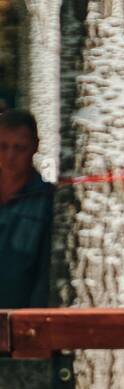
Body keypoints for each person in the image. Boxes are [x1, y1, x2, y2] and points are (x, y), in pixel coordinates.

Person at [0, 109, 53, 310]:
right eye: (3, 146)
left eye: (19, 148)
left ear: (34, 146)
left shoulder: (48, 200)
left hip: (21, 316)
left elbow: (45, 273)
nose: (10, 156)